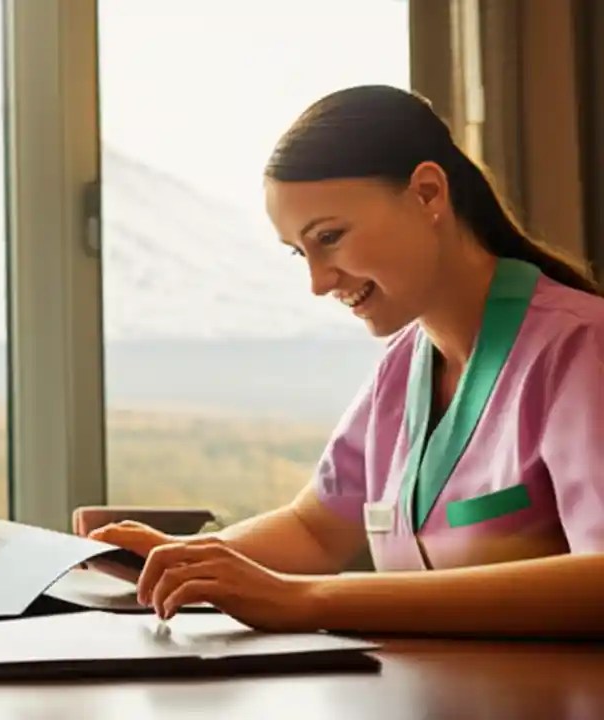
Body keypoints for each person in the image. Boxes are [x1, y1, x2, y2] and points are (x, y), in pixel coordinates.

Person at [92, 85, 604, 639]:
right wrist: (187, 560)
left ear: (428, 193)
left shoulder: (580, 347)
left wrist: (309, 600)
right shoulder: (403, 369)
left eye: (330, 238)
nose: (317, 282)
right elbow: (315, 530)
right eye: (300, 253)